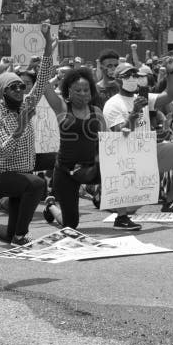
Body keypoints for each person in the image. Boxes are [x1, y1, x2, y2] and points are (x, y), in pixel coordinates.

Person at [0, 23, 55, 245]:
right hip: (2, 178)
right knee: (38, 184)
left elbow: (43, 77)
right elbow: (3, 152)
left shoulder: (27, 104)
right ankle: (20, 236)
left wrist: (47, 43)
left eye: (21, 87)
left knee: (9, 232)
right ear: (2, 92)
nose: (19, 90)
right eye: (12, 87)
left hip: (23, 176)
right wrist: (20, 128)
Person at [102, 60, 173, 213]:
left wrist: (171, 73)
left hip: (148, 152)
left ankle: (170, 201)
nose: (132, 79)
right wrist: (135, 112)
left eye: (135, 75)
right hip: (127, 159)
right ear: (118, 80)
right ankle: (108, 196)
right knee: (128, 210)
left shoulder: (143, 97)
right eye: (127, 76)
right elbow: (121, 133)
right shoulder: (113, 104)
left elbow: (170, 95)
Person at [45, 68, 115, 229]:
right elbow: (44, 87)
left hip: (89, 169)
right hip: (65, 172)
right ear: (68, 91)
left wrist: (128, 124)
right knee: (71, 224)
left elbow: (109, 140)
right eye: (77, 90)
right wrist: (45, 64)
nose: (82, 93)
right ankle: (51, 206)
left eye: (86, 90)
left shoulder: (96, 112)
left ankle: (99, 194)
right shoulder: (62, 107)